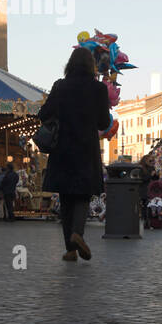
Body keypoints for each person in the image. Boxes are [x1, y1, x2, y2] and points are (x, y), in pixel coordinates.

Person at [38, 47, 111, 262]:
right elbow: (104, 122)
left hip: (62, 148)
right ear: (91, 66)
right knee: (82, 195)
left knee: (66, 197)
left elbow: (44, 114)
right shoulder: (98, 89)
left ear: (69, 65)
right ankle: (77, 234)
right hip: (86, 149)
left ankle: (70, 250)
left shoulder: (60, 86)